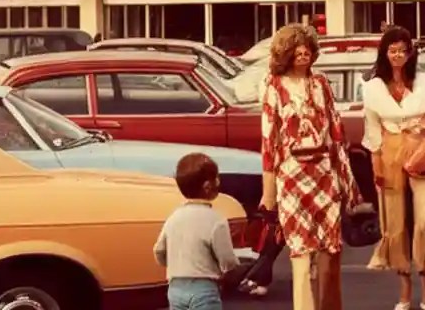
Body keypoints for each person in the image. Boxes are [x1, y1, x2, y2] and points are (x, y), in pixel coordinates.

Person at [260, 23, 360, 310]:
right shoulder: (273, 86)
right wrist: (269, 195)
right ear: (285, 54)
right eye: (296, 51)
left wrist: (347, 182)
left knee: (330, 249)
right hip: (291, 176)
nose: (303, 56)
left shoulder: (321, 84)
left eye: (307, 51)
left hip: (325, 174)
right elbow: (269, 140)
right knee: (300, 251)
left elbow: (337, 133)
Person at [362, 25, 425, 310]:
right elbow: (372, 129)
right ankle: (404, 290)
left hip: (419, 150)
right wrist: (376, 164)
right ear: (385, 53)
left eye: (403, 50)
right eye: (392, 50)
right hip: (389, 152)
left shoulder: (424, 81)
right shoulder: (373, 87)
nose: (398, 55)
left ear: (411, 53)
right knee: (395, 223)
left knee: (424, 220)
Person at [153, 153, 241, 310]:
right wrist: (232, 270)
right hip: (204, 289)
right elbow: (227, 260)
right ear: (207, 186)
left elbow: (159, 250)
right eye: (217, 178)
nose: (219, 181)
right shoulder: (216, 220)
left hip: (175, 288)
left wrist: (175, 264)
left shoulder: (174, 217)